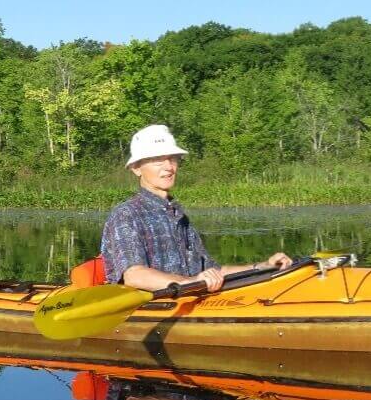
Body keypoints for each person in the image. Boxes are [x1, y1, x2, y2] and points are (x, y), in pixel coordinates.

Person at [101, 124, 291, 292]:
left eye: (173, 159)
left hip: (187, 297)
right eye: (158, 159)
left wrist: (263, 266)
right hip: (152, 309)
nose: (168, 167)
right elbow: (135, 276)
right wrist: (191, 282)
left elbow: (214, 271)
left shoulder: (178, 214)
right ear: (136, 168)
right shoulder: (126, 214)